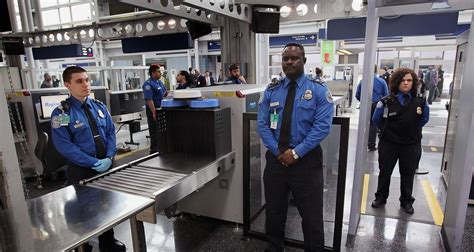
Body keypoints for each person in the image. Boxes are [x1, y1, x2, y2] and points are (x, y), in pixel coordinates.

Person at [257, 43, 334, 251]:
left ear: (304, 61)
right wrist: (278, 152)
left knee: (311, 217)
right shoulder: (272, 89)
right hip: (276, 161)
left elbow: (322, 126)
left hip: (306, 163)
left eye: (294, 58)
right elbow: (263, 124)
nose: (289, 62)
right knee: (274, 213)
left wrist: (296, 153)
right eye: (285, 59)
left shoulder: (317, 89)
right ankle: (274, 248)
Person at [50, 66, 125, 252]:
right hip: (82, 169)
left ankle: (108, 241)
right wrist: (92, 163)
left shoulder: (99, 107)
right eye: (79, 81)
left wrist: (109, 157)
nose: (85, 84)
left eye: (87, 80)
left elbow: (110, 133)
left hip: (106, 165)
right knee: (85, 210)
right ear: (68, 84)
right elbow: (64, 146)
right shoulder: (62, 113)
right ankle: (83, 245)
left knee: (108, 205)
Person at [371, 68, 430, 215]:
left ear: (414, 83)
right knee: (385, 172)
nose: (406, 83)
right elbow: (376, 119)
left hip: (411, 144)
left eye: (409, 80)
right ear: (397, 82)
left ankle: (406, 201)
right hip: (389, 143)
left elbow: (424, 119)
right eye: (403, 80)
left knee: (408, 174)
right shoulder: (386, 101)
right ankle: (381, 198)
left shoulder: (420, 101)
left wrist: (410, 129)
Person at [355, 65, 389, 151]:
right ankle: (371, 145)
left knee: (363, 124)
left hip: (365, 104)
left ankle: (361, 143)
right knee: (374, 125)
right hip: (376, 105)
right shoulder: (382, 81)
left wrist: (362, 101)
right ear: (376, 71)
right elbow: (386, 95)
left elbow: (357, 94)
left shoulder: (363, 81)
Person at [143, 65, 167, 154]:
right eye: (158, 71)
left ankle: (161, 148)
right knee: (154, 131)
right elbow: (149, 99)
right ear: (152, 73)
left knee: (161, 130)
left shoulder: (159, 82)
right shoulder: (148, 84)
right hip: (153, 110)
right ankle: (154, 151)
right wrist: (154, 113)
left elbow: (164, 92)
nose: (160, 73)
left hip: (161, 109)